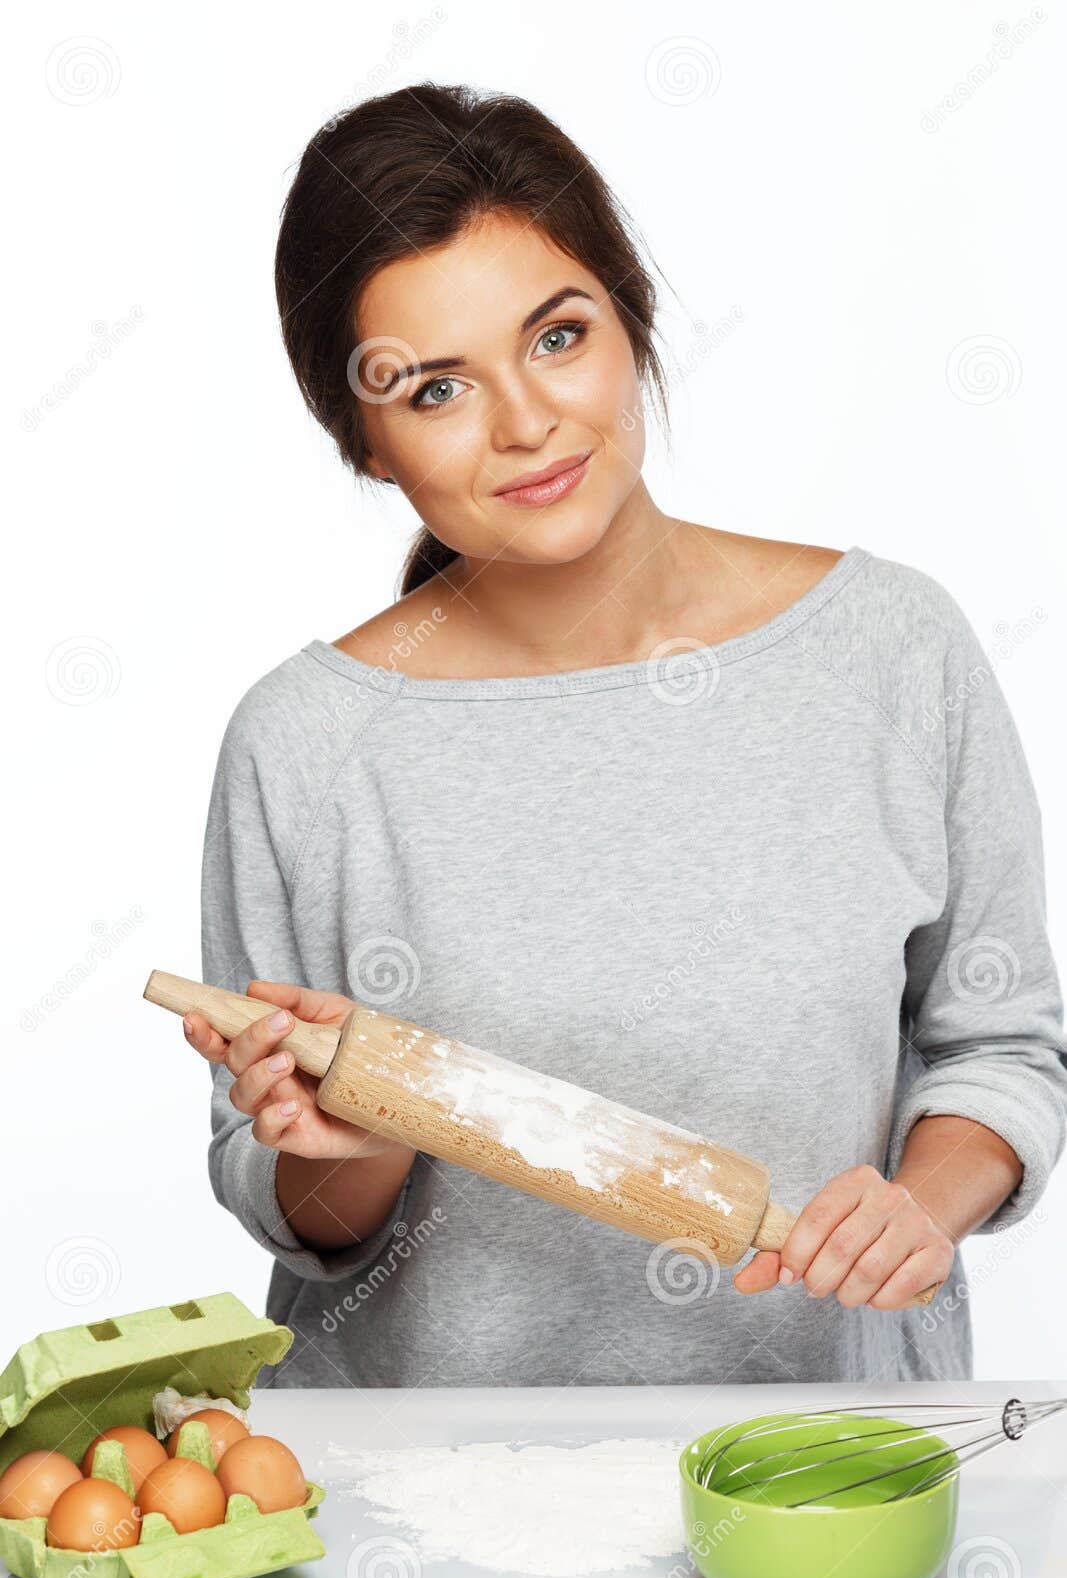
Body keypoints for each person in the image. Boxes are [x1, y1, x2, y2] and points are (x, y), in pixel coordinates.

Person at [183, 83, 1066, 1389]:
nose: (526, 423)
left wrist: (921, 1205)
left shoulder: (893, 650)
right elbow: (291, 1205)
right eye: (435, 389)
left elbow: (998, 1047)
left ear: (631, 315)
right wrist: (342, 1142)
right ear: (363, 441)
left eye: (557, 336)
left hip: (825, 1474)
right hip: (423, 1524)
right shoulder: (304, 743)